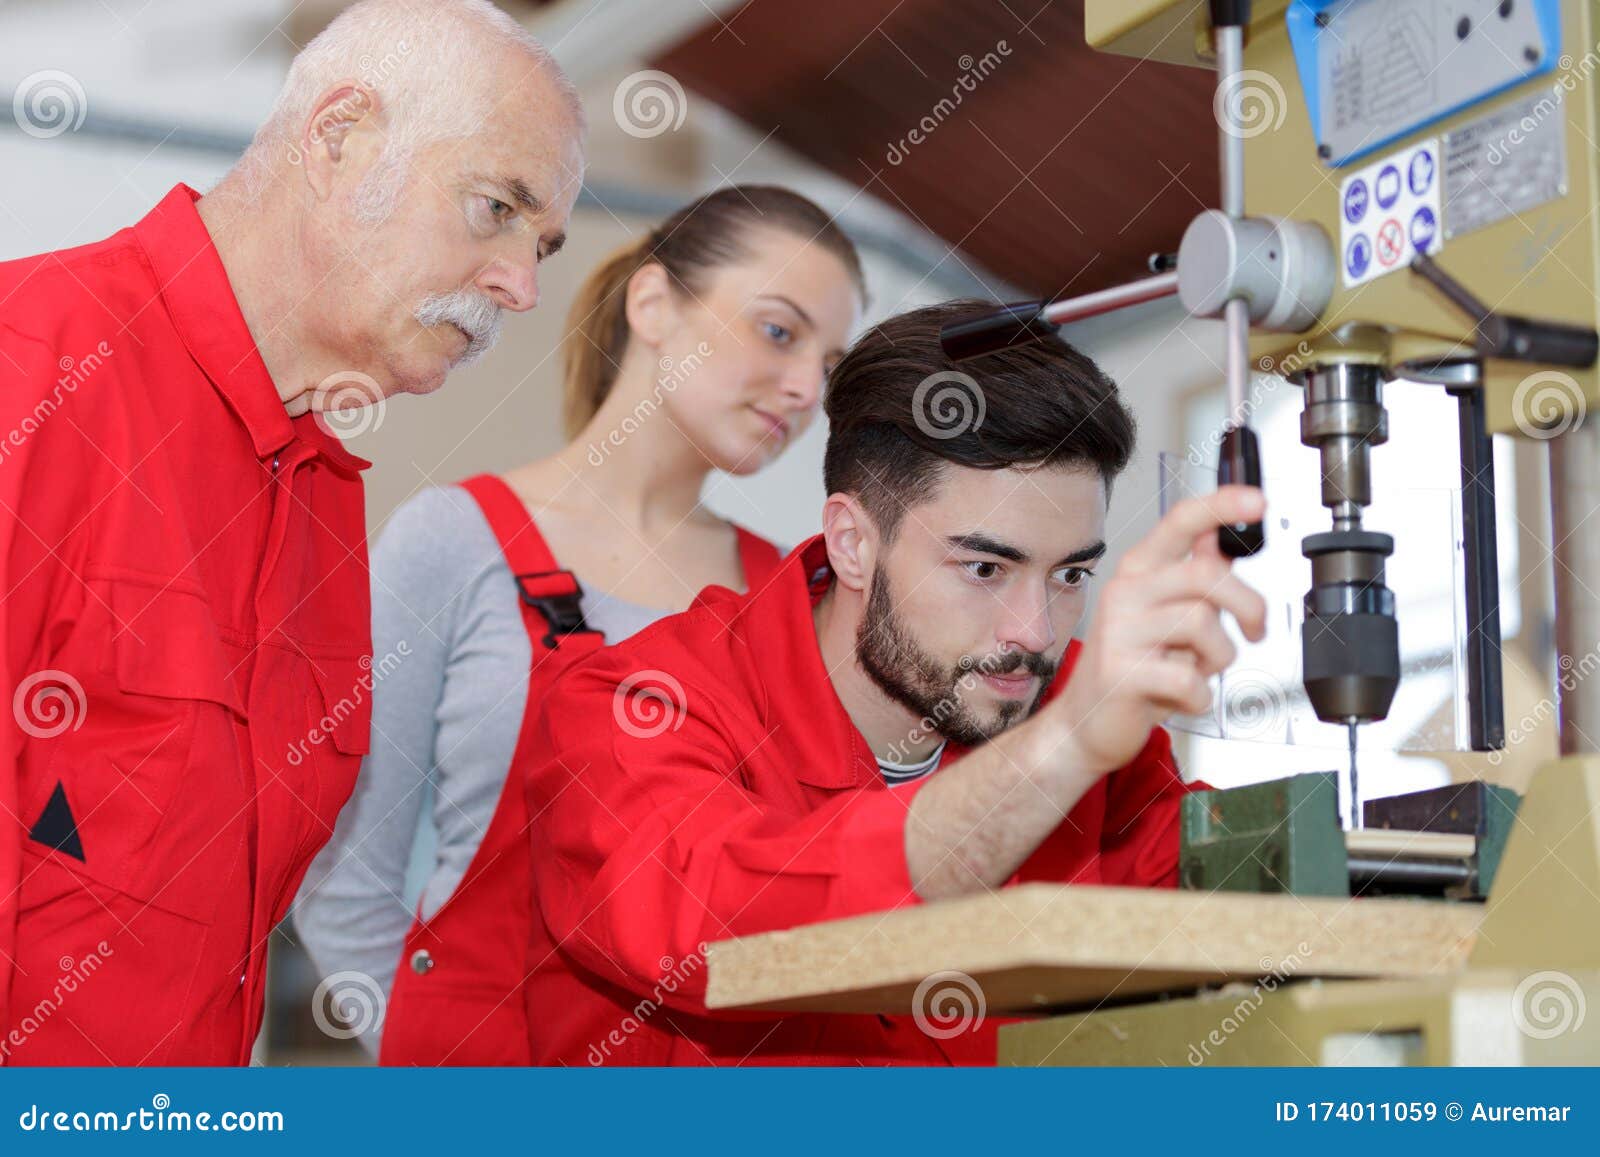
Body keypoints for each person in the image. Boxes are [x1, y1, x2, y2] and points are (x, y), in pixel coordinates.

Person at [0, 0, 583, 1065]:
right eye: (497, 207)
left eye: (539, 245)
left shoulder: (324, 495)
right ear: (337, 137)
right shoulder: (28, 364)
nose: (523, 285)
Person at [518, 300, 1268, 1065]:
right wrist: (1061, 749)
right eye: (986, 568)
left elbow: (1220, 890)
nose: (1036, 633)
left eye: (1070, 574)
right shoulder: (629, 707)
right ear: (852, 542)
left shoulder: (1062, 700)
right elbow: (714, 925)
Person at [293, 186, 865, 1064]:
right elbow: (342, 875)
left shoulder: (791, 598)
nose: (804, 388)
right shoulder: (455, 542)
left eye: (829, 364)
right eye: (779, 330)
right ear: (655, 304)